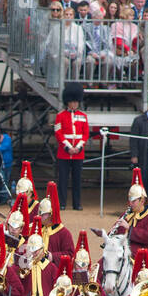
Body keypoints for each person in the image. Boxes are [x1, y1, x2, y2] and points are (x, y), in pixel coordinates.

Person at [54, 83, 89, 211]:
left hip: (78, 153)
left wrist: (78, 147)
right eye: (72, 102)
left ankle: (77, 203)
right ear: (68, 102)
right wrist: (68, 147)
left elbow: (85, 134)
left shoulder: (83, 116)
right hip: (64, 152)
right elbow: (58, 133)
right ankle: (62, 203)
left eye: (76, 102)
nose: (74, 104)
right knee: (63, 180)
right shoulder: (60, 116)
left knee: (77, 180)